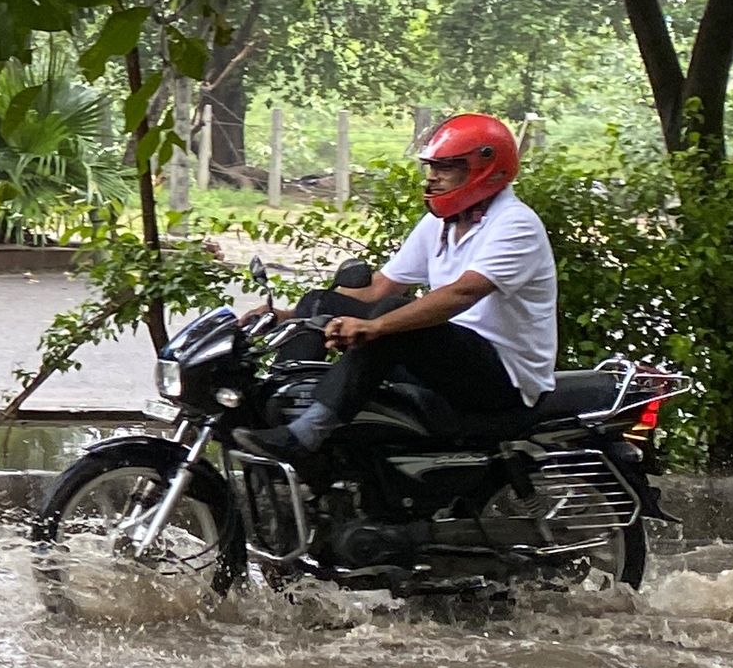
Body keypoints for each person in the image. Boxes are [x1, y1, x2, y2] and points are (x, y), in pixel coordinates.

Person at [233, 112, 556, 463]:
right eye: (432, 167)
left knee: (391, 317)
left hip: (503, 376)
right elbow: (379, 288)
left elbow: (461, 294)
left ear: (483, 170)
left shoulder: (515, 224)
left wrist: (375, 326)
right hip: (448, 356)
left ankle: (306, 434)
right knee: (320, 301)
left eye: (446, 168)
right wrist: (287, 315)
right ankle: (283, 408)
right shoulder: (442, 224)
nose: (433, 177)